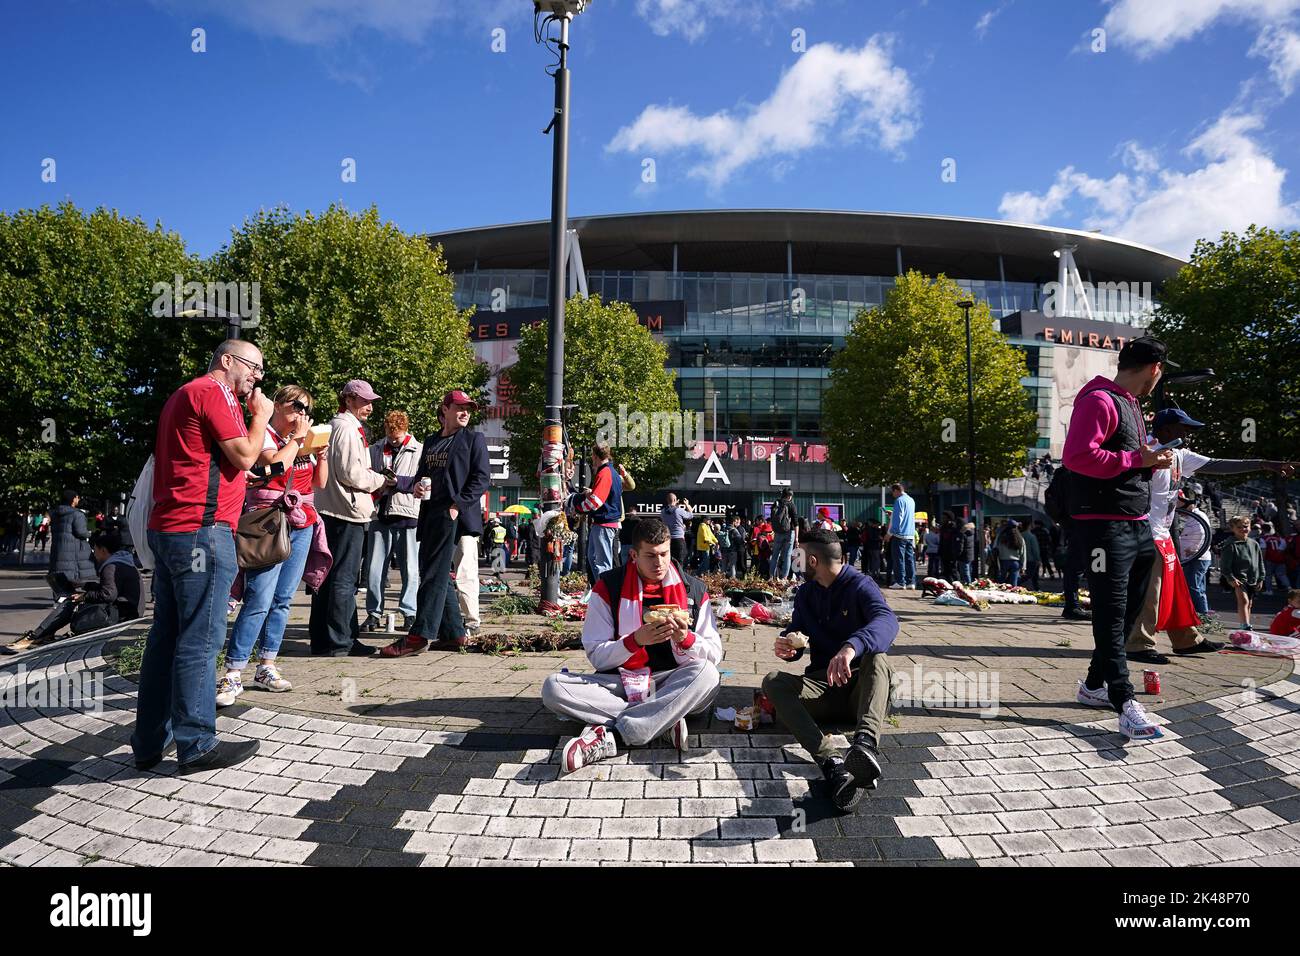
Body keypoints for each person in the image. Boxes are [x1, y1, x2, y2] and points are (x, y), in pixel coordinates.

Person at [131, 339, 271, 773]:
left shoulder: (185, 394)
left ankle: (150, 742)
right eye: (254, 367)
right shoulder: (214, 393)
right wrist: (262, 417)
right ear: (227, 361)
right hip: (201, 534)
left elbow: (226, 466)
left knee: (166, 639)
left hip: (174, 529)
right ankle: (196, 745)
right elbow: (246, 454)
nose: (258, 377)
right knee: (200, 638)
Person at [540, 518, 723, 773]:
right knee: (553, 688)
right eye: (650, 556)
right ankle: (662, 721)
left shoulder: (693, 590)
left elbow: (714, 653)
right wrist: (635, 641)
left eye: (664, 554)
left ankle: (614, 734)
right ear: (634, 555)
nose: (659, 563)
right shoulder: (608, 587)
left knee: (708, 675)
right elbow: (598, 657)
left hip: (673, 681)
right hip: (620, 683)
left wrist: (686, 639)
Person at [1063, 336, 1174, 741]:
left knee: (1127, 611)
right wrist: (1135, 459)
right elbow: (1076, 456)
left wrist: (1149, 459)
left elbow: (1122, 456)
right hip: (1103, 527)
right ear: (1154, 369)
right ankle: (1124, 701)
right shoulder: (1099, 401)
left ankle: (1094, 685)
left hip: (1136, 522)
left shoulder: (1129, 403)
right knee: (1110, 613)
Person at [1124, 407, 1294, 664]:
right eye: (1184, 429)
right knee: (1152, 591)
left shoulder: (1180, 454)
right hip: (1146, 531)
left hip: (1163, 532)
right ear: (1166, 429)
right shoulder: (1145, 450)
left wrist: (1263, 464)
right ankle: (1138, 644)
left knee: (1177, 590)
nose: (1188, 435)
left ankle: (1186, 639)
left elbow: (1217, 465)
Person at [762, 529, 898, 813]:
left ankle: (865, 745)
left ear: (812, 560)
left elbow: (887, 622)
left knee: (878, 658)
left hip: (861, 695)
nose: (794, 560)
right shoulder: (806, 594)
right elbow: (800, 630)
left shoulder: (861, 585)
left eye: (798, 555)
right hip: (823, 687)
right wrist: (790, 645)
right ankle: (833, 763)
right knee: (773, 682)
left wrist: (851, 647)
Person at [218, 385, 332, 707]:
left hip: (302, 521)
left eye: (306, 409)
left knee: (283, 600)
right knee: (259, 598)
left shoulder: (301, 440)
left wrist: (320, 456)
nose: (302, 414)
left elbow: (319, 483)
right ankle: (233, 671)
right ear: (279, 405)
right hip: (268, 521)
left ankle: (266, 665)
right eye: (296, 406)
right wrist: (298, 441)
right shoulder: (266, 434)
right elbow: (275, 466)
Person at [384, 390, 490, 657]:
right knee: (437, 571)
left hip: (451, 513)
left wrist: (458, 505)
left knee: (432, 574)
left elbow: (481, 479)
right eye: (460, 407)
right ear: (445, 410)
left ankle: (419, 635)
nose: (466, 412)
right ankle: (454, 634)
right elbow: (422, 474)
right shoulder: (431, 441)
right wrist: (418, 486)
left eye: (469, 408)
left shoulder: (473, 439)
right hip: (429, 512)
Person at [310, 380, 390, 658]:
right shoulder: (346, 428)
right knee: (344, 579)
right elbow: (351, 473)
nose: (369, 407)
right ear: (349, 399)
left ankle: (324, 639)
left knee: (327, 577)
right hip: (346, 510)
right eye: (364, 401)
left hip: (332, 508)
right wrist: (380, 479)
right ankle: (340, 640)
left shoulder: (335, 426)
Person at [3, 529, 142, 654]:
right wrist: (83, 585)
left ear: (104, 550)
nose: (94, 554)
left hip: (119, 616)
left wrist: (83, 597)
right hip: (128, 611)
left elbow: (108, 594)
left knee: (71, 602)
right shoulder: (123, 561)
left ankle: (37, 636)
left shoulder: (110, 566)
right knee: (75, 599)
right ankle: (44, 633)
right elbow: (111, 589)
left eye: (95, 550)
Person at [363, 410, 422, 633]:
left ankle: (409, 612)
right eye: (390, 435)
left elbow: (423, 481)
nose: (393, 440)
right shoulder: (377, 449)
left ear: (405, 430)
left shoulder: (419, 449)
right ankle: (373, 613)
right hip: (381, 513)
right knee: (375, 569)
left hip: (408, 514)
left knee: (410, 569)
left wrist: (397, 482)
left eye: (396, 437)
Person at [567, 443, 624, 585]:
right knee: (594, 560)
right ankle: (601, 593)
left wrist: (578, 508)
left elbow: (595, 502)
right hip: (604, 523)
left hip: (604, 524)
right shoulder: (612, 473)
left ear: (595, 456)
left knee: (601, 564)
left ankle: (605, 597)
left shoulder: (604, 473)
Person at [47, 489, 95, 601]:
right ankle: (70, 599)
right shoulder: (77, 514)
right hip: (73, 550)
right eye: (77, 497)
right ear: (73, 499)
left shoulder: (55, 513)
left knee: (59, 573)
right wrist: (90, 532)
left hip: (58, 549)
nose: (78, 499)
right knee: (73, 575)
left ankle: (59, 598)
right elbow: (81, 532)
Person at [1221, 515, 1265, 629]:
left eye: (1245, 526)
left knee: (1249, 603)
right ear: (1233, 529)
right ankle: (1244, 625)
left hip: (1253, 578)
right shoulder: (1230, 544)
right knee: (1243, 600)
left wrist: (1261, 578)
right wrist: (1230, 578)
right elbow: (1224, 565)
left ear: (1250, 527)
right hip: (1238, 578)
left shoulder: (1254, 543)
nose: (1243, 529)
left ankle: (1247, 623)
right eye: (1239, 527)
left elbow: (1260, 561)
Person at [1176, 491, 1214, 616]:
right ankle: (1201, 613)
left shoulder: (1198, 516)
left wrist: (1195, 549)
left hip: (1197, 557)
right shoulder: (1192, 517)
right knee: (1197, 586)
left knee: (1194, 587)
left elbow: (1202, 533)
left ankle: (1201, 613)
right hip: (1193, 557)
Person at [884, 482, 916, 590]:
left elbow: (898, 519)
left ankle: (900, 582)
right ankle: (911, 581)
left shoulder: (899, 501)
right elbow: (906, 516)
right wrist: (892, 514)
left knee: (898, 559)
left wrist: (889, 534)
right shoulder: (911, 500)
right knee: (909, 559)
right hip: (910, 534)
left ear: (896, 490)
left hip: (899, 534)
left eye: (892, 492)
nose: (892, 495)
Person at [769, 489, 799, 581]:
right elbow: (795, 522)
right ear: (790, 496)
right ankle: (784, 578)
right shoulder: (791, 505)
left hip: (778, 533)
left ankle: (771, 577)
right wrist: (797, 538)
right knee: (787, 556)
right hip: (789, 532)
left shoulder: (776, 503)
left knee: (775, 555)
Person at [660, 493, 692, 566]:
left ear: (667, 500)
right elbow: (690, 515)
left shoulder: (663, 512)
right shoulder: (678, 510)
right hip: (679, 539)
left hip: (668, 540)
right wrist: (687, 504)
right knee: (680, 561)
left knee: (670, 561)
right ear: (675, 500)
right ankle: (679, 576)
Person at [1262, 524, 1293, 596]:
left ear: (1263, 530)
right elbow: (1283, 548)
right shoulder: (1279, 538)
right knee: (1282, 574)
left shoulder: (1264, 538)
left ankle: (1269, 590)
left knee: (1268, 575)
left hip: (1269, 559)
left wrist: (1263, 560)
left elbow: (1264, 550)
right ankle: (1289, 587)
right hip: (1280, 559)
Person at [995, 520, 1026, 587]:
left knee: (1001, 582)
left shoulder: (1000, 537)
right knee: (1013, 583)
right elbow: (1023, 553)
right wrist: (1023, 567)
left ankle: (1001, 595)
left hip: (1003, 561)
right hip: (1015, 562)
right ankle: (1013, 595)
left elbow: (995, 548)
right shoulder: (1020, 538)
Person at [1023, 521, 1041, 590]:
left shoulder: (1020, 535)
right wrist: (1038, 559)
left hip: (1024, 559)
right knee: (1033, 575)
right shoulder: (1032, 536)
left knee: (1027, 574)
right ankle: (1037, 588)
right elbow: (1035, 549)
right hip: (1032, 559)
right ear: (1029, 526)